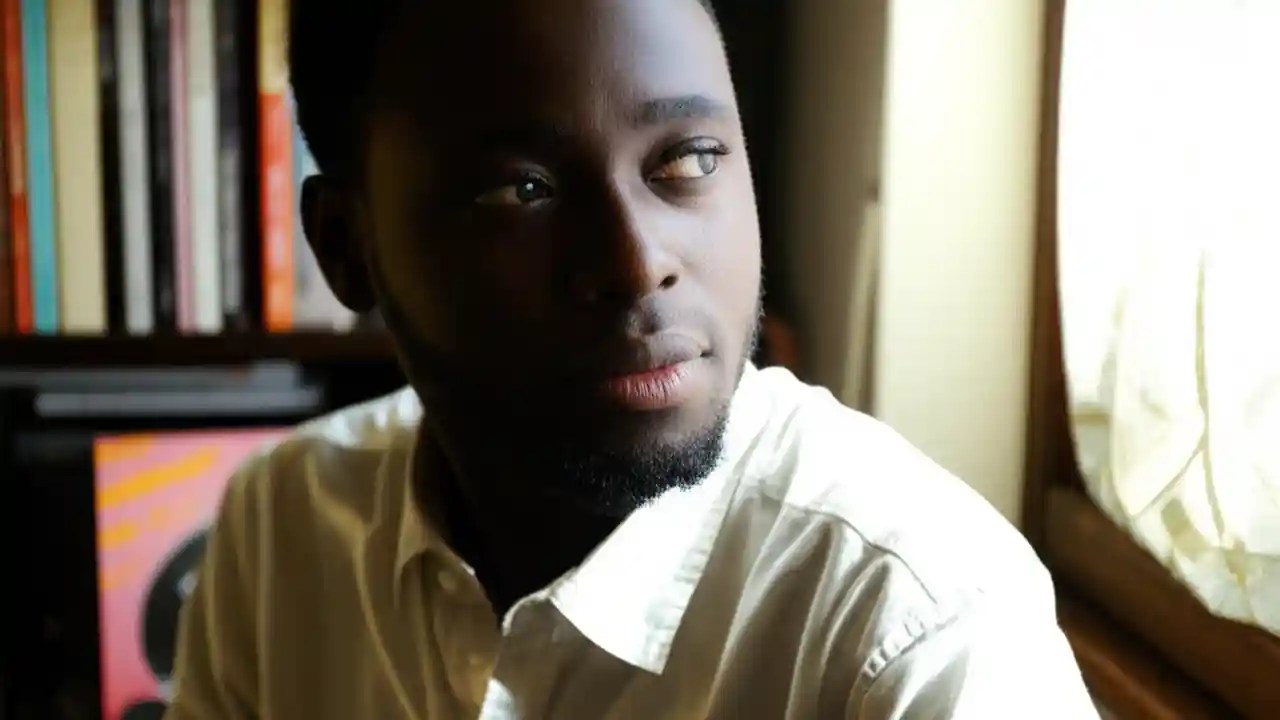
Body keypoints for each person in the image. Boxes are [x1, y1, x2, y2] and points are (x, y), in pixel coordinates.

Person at [167, 0, 1099, 717]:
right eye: (522, 190)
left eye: (687, 160)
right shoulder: (287, 527)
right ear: (346, 248)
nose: (634, 261)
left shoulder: (916, 625)